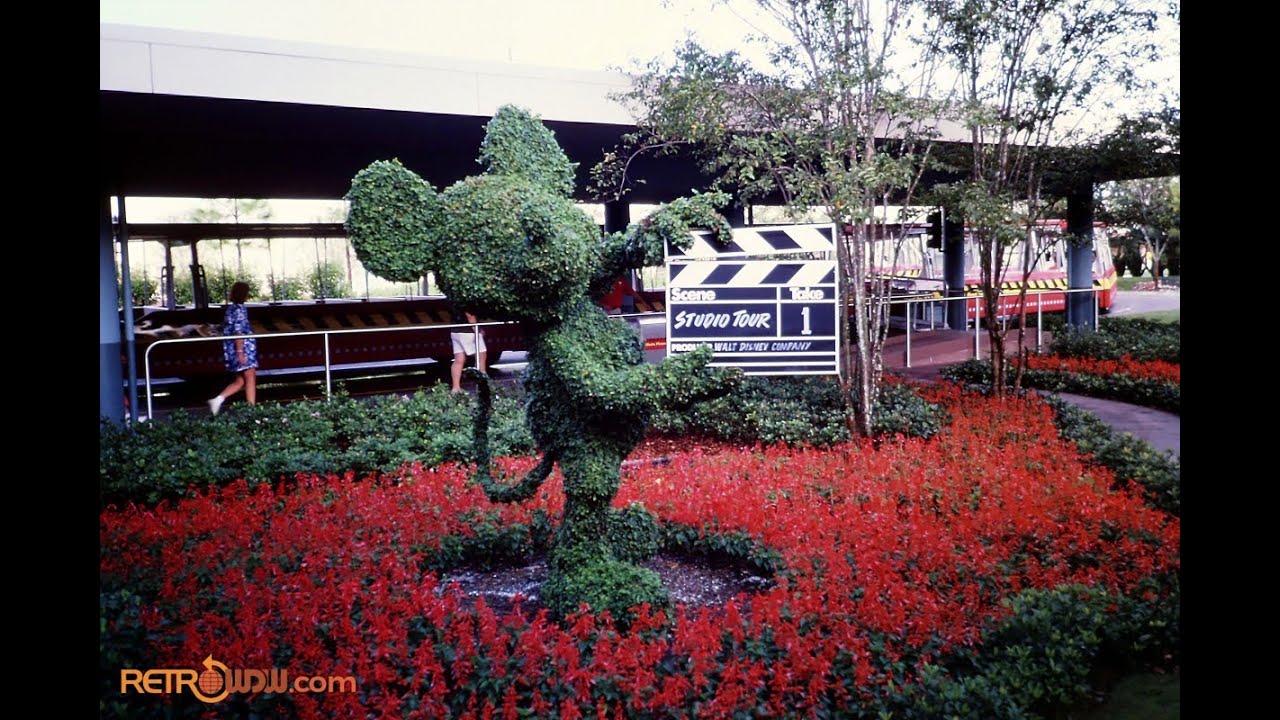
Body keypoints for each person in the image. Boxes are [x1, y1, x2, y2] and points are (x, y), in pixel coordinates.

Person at [208, 281, 257, 415]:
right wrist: (240, 351)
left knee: (240, 380)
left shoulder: (230, 309)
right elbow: (238, 331)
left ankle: (217, 400)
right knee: (250, 376)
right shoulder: (240, 309)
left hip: (232, 348)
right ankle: (251, 411)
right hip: (243, 348)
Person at [450, 310, 487, 393]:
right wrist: (476, 329)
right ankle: (482, 386)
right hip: (468, 332)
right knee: (480, 357)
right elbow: (470, 315)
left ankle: (455, 388)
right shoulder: (467, 300)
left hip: (455, 331)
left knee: (459, 360)